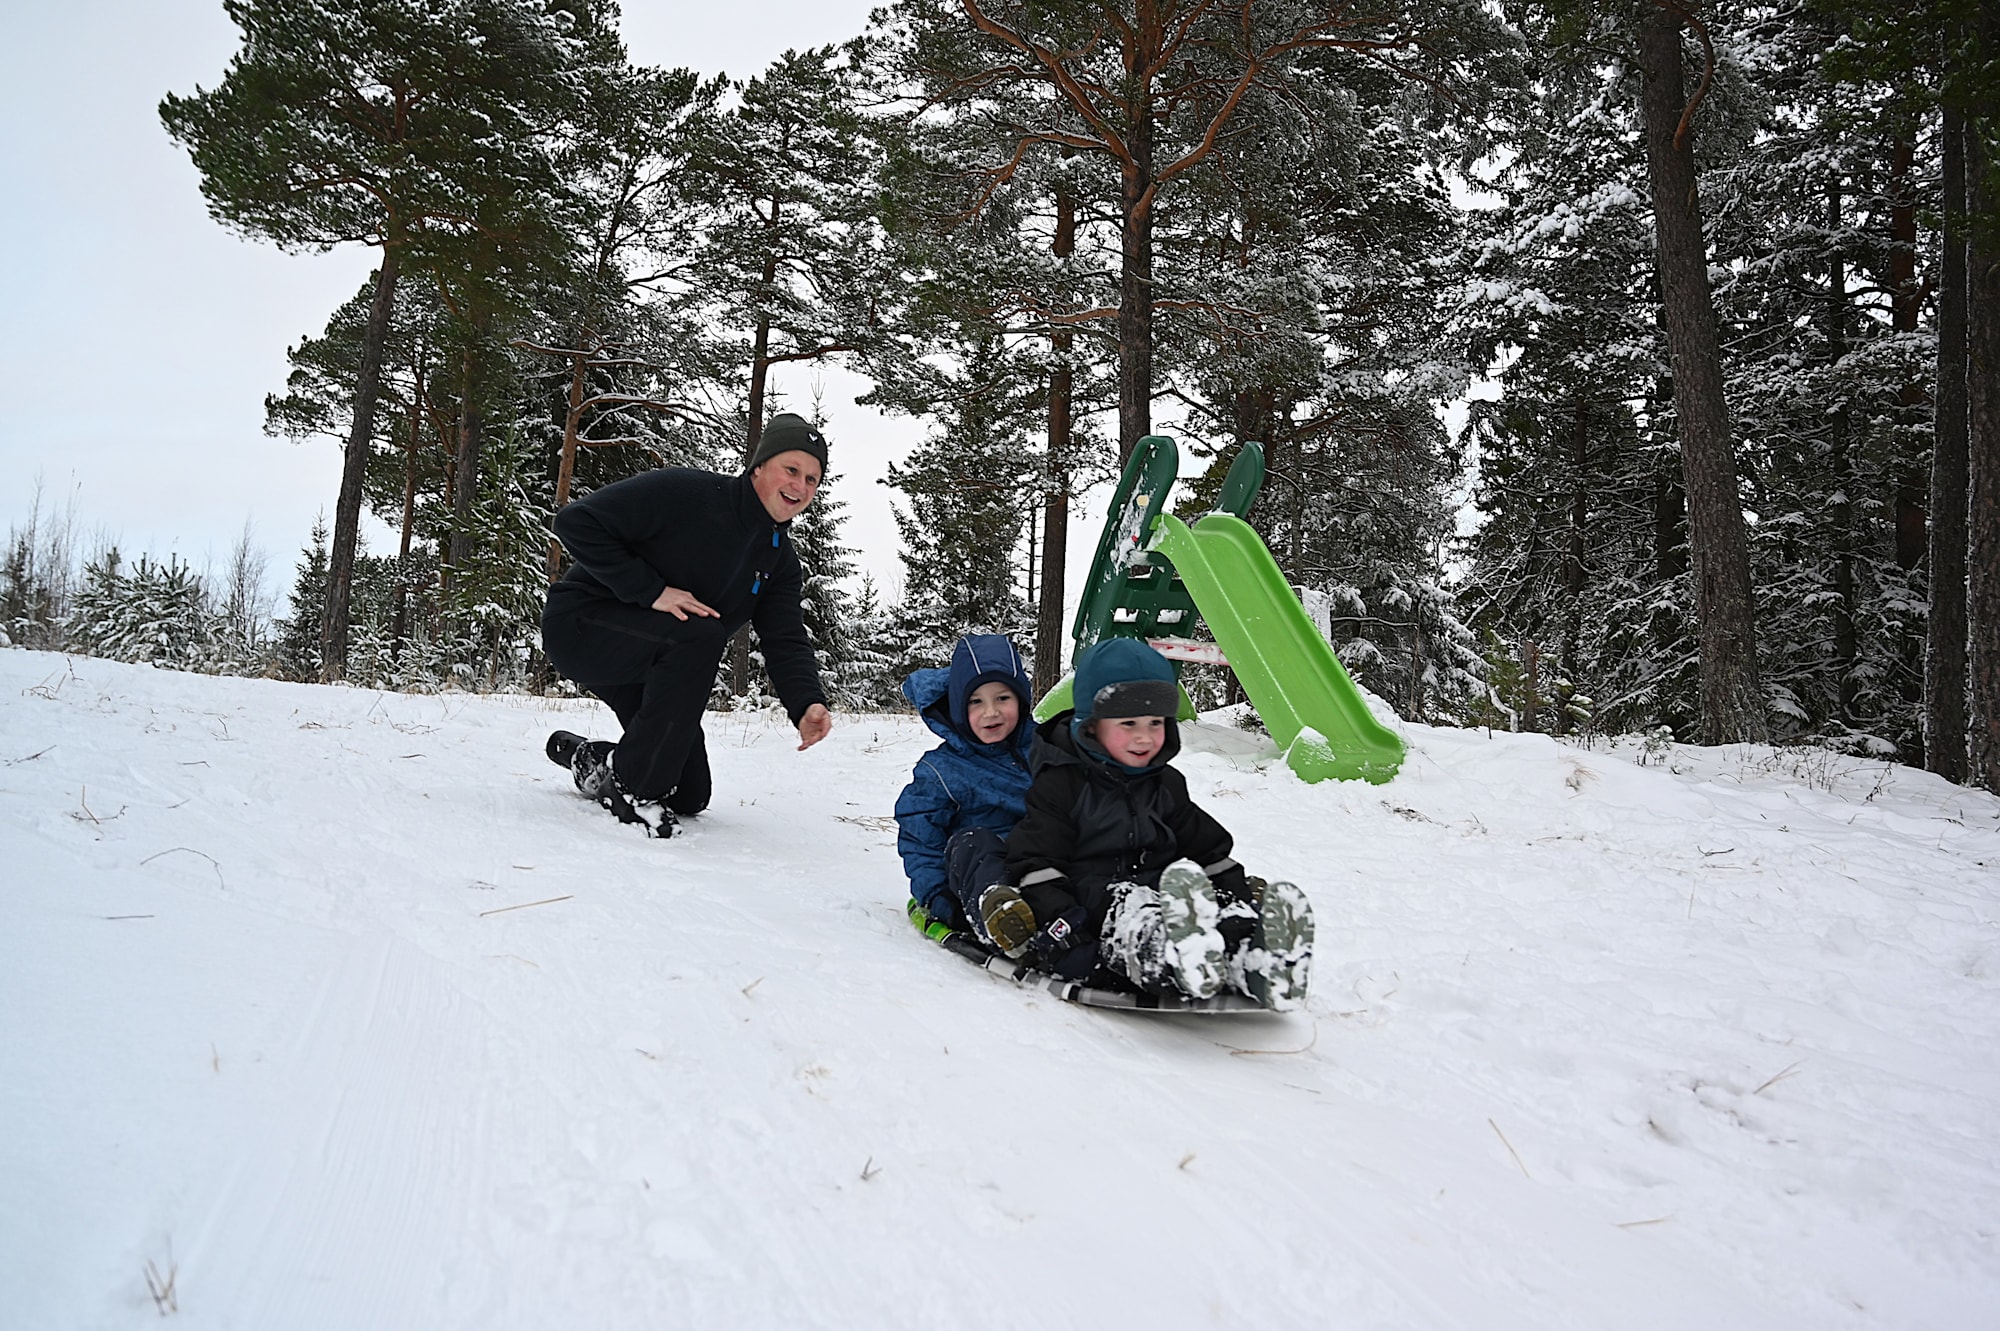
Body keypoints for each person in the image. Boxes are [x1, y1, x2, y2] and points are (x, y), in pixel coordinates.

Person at [540, 413, 834, 837]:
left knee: (689, 793)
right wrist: (651, 590)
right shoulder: (688, 494)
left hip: (654, 662)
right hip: (584, 628)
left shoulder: (778, 561)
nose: (800, 487)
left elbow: (784, 638)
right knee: (699, 632)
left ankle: (596, 762)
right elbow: (576, 522)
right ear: (759, 465)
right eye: (791, 470)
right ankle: (633, 791)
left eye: (812, 480)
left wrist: (807, 702)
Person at [979, 638, 1313, 1008]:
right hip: (1096, 904)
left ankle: (1254, 961)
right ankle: (1175, 963)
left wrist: (1236, 893)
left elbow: (1207, 848)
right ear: (1091, 725)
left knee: (1212, 906)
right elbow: (1038, 864)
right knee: (1136, 919)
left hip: (1166, 889)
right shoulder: (1062, 785)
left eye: (1155, 722)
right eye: (1128, 723)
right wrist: (1066, 926)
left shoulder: (1165, 784)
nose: (1144, 736)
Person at [894, 634, 1035, 931]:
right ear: (959, 707)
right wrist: (937, 895)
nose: (991, 712)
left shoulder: (1044, 749)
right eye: (976, 701)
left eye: (1003, 698)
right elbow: (920, 837)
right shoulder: (942, 771)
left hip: (1039, 862)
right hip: (976, 874)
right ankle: (1000, 914)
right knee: (974, 842)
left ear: (1021, 699)